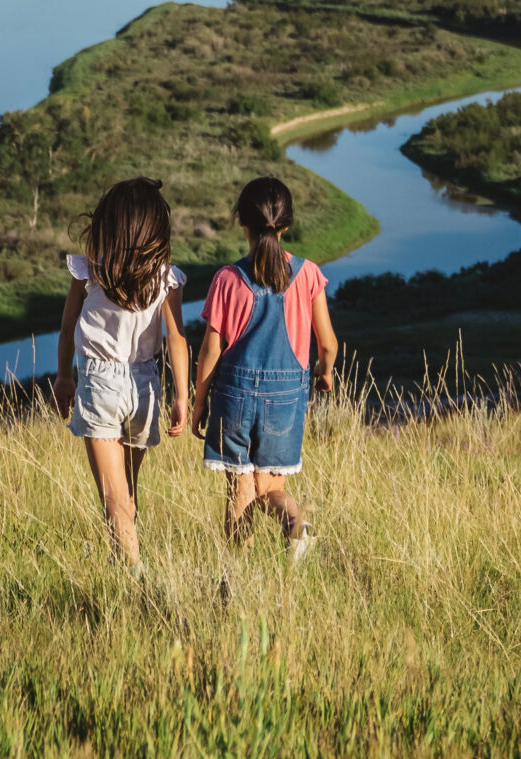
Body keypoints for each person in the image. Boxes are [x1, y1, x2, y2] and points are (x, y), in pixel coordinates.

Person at [191, 175, 338, 554]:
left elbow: (209, 352)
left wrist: (198, 402)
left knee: (239, 490)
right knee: (272, 489)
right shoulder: (308, 275)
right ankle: (296, 523)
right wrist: (325, 373)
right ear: (286, 225)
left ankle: (238, 571)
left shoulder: (227, 278)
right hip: (286, 399)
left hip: (234, 398)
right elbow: (329, 344)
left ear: (242, 222)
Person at [53, 177, 190, 568]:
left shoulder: (90, 270)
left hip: (98, 382)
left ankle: (132, 580)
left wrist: (64, 377)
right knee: (128, 492)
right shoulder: (167, 278)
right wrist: (181, 396)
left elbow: (66, 329)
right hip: (145, 385)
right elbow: (177, 339)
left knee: (114, 501)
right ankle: (130, 563)